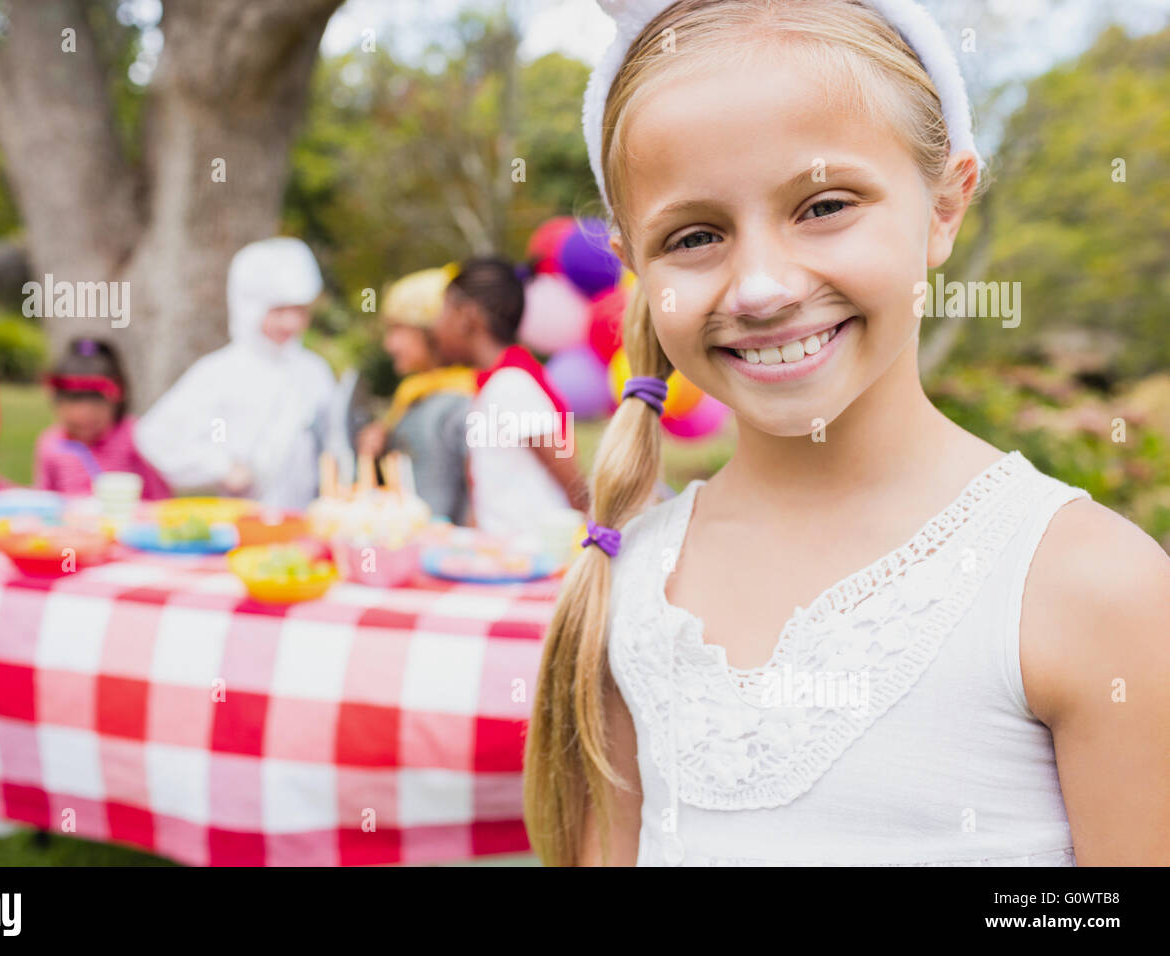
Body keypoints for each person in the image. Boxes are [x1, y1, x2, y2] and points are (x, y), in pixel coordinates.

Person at [523, 0, 1170, 867]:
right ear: (634, 263)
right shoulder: (630, 583)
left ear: (945, 205)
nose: (759, 287)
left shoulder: (1090, 587)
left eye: (824, 206)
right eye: (696, 235)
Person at [135, 237, 335, 510]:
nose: (291, 322)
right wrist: (221, 467)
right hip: (243, 524)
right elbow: (157, 435)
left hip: (308, 522)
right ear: (250, 309)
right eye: (278, 311)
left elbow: (334, 440)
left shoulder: (314, 371)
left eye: (299, 310)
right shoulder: (220, 372)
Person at [431, 257, 588, 540]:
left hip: (535, 561)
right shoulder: (495, 385)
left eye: (444, 312)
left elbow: (573, 482)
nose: (436, 326)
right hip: (507, 560)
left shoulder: (512, 385)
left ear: (468, 316)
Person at [0, 337, 170, 499]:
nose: (84, 418)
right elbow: (42, 505)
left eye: (95, 419)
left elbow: (162, 501)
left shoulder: (135, 436)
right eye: (75, 423)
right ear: (56, 404)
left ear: (117, 401)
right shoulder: (52, 445)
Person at [355, 266, 476, 524]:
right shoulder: (415, 394)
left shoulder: (464, 401)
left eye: (398, 330)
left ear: (434, 332)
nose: (390, 344)